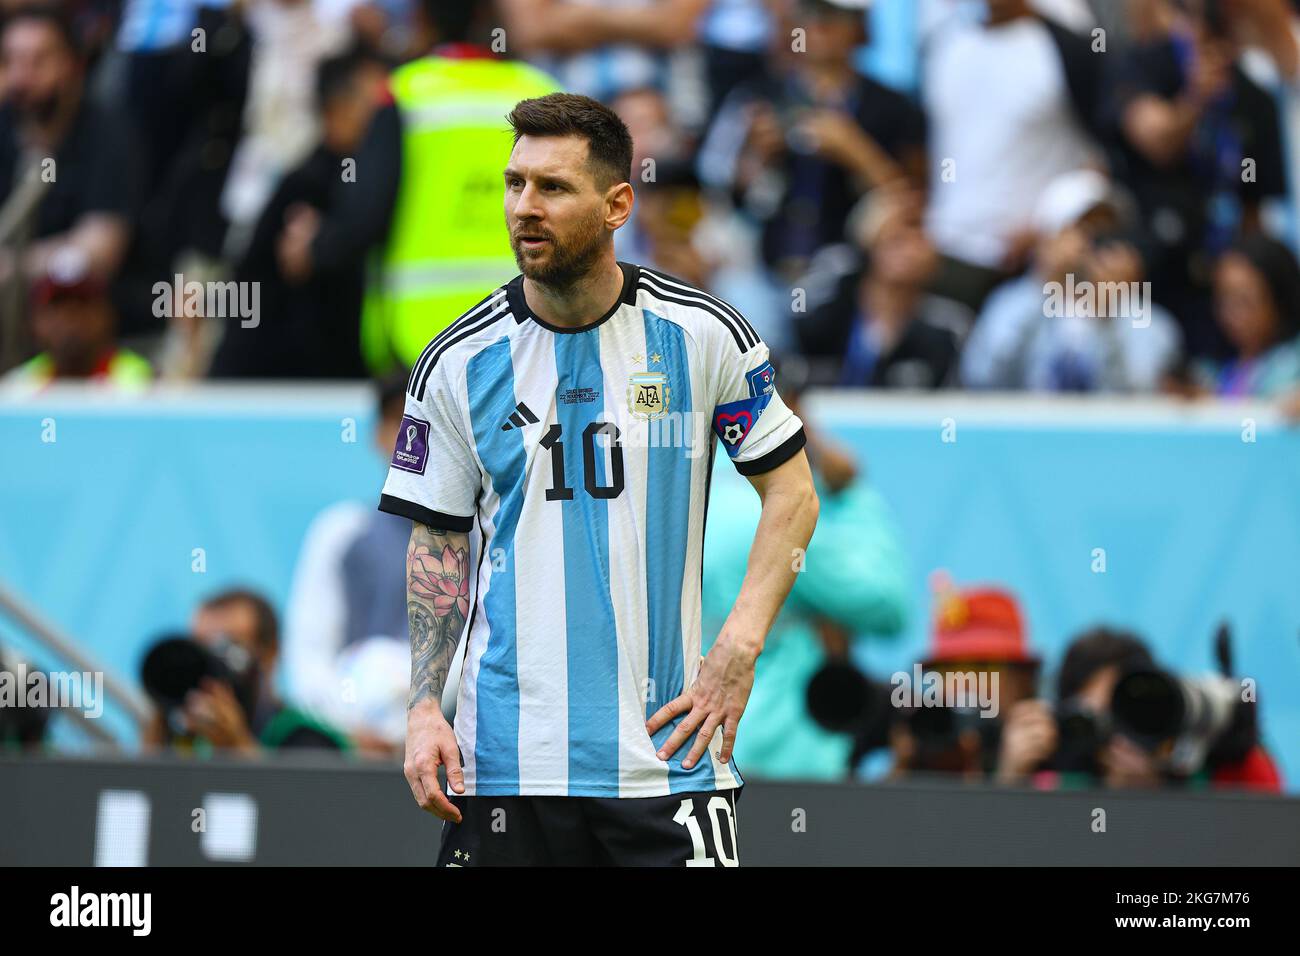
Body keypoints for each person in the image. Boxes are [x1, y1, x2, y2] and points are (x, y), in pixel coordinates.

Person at [380, 92, 820, 866]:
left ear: (618, 204)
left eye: (553, 187)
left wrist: (737, 648)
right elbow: (439, 541)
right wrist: (423, 707)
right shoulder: (456, 361)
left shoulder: (704, 335)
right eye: (516, 184)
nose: (525, 207)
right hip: (508, 768)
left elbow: (792, 493)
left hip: (668, 762)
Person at [359, 0, 559, 374]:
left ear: (422, 18)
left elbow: (365, 212)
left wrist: (317, 249)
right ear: (488, 15)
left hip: (418, 333)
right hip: (531, 329)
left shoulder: (406, 90)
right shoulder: (543, 90)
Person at [283, 371, 432, 755]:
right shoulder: (340, 530)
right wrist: (352, 728)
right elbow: (309, 653)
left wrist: (415, 727)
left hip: (443, 746)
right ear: (379, 436)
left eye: (427, 423)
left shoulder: (478, 539)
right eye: (399, 422)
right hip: (350, 747)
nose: (413, 438)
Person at [960, 169, 1183, 392]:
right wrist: (1043, 284)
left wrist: (1107, 315)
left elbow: (1138, 402)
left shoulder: (1149, 322)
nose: (1093, 244)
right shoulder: (1008, 305)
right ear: (1047, 240)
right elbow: (983, 380)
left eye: (1109, 231)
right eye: (1082, 229)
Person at [143, 588, 348, 754]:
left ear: (270, 653)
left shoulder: (306, 739)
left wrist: (236, 749)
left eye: (225, 648)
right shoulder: (182, 738)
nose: (209, 666)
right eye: (200, 648)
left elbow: (297, 802)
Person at [3, 248, 152, 389]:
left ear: (107, 315)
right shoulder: (20, 388)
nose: (69, 320)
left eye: (82, 306)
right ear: (35, 321)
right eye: (57, 309)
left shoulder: (142, 383)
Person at [1189, 232, 1300, 397]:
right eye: (1223, 299)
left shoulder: (1294, 366)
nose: (1230, 313)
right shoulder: (1210, 372)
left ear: (1279, 300)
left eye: (1244, 301)